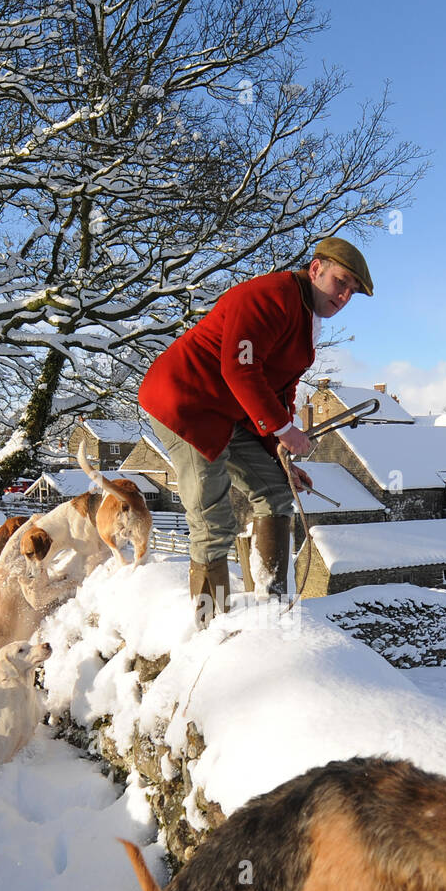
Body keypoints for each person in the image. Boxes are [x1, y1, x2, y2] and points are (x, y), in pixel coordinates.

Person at [138, 236, 373, 624]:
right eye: (341, 282)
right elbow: (240, 370)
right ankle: (209, 628)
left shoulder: (304, 319)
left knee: (277, 491)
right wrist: (284, 430)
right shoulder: (268, 297)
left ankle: (271, 608)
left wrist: (279, 457)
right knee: (213, 523)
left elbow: (276, 390)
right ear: (316, 269)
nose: (345, 295)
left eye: (352, 291)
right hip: (185, 404)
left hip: (227, 412)